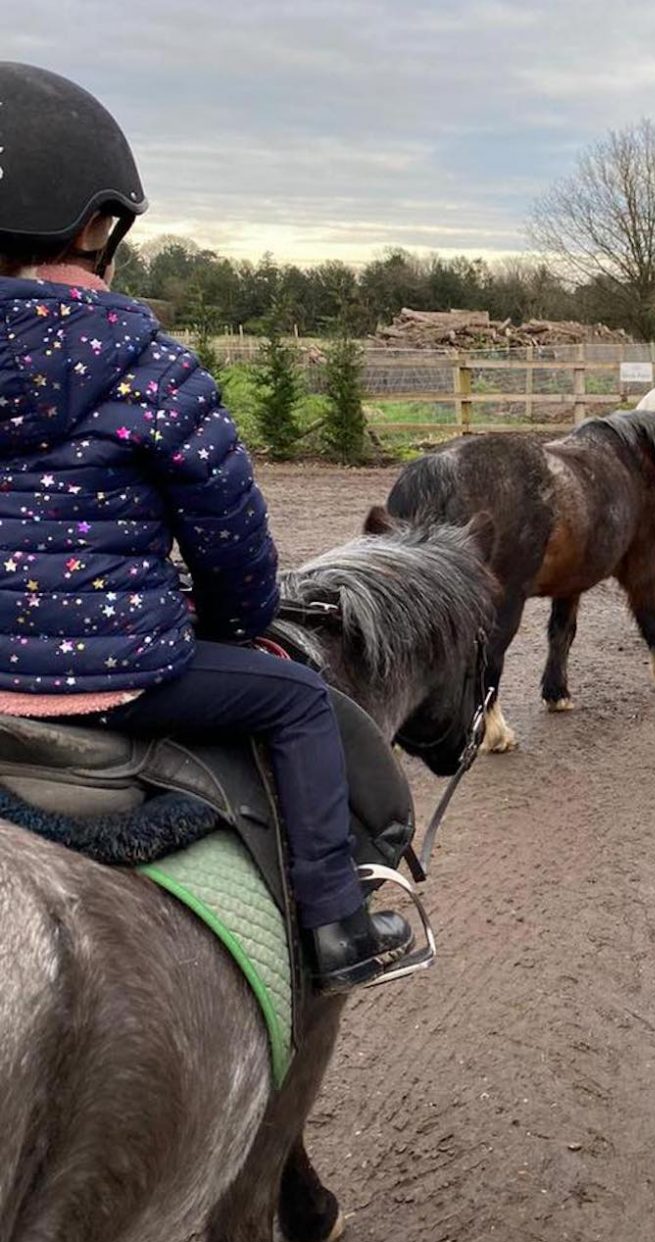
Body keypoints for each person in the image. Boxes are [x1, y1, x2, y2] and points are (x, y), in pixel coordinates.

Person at [0, 62, 413, 992]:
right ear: (99, 227)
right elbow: (229, 546)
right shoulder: (148, 363)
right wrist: (233, 626)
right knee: (299, 702)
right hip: (113, 679)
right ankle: (339, 929)